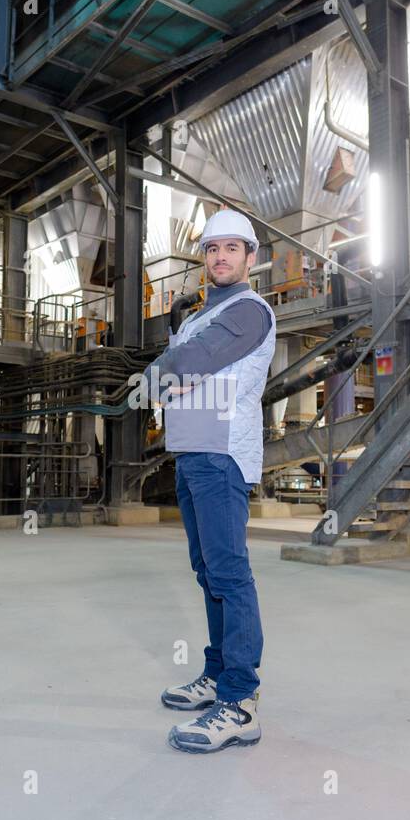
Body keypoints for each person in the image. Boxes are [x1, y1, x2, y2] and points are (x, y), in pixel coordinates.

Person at [144, 209, 277, 754]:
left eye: (232, 248)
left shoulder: (249, 311)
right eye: (212, 249)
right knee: (207, 572)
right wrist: (169, 364)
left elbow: (189, 361)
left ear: (251, 257)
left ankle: (240, 701)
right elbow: (185, 356)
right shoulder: (203, 314)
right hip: (192, 452)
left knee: (229, 573)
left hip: (222, 457)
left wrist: (157, 376)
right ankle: (217, 675)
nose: (220, 257)